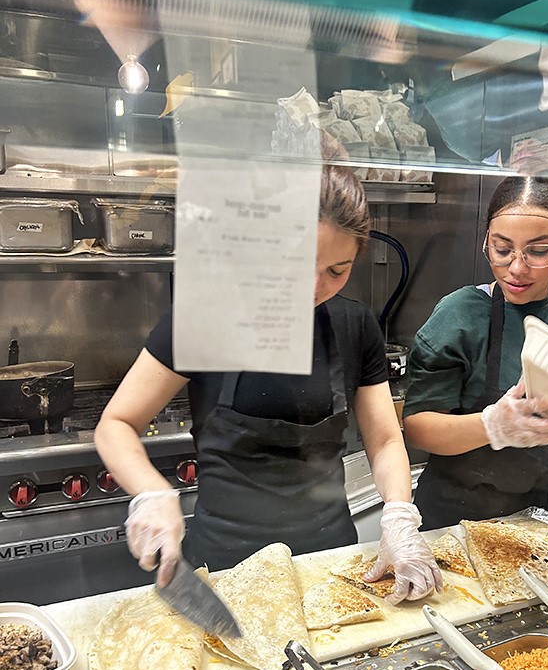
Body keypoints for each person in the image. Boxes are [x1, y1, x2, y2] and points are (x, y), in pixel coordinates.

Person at [95, 165, 442, 603]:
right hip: (223, 567)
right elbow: (117, 424)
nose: (314, 287)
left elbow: (386, 438)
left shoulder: (355, 325)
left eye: (337, 270)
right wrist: (152, 492)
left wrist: (398, 514)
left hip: (327, 563)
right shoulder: (204, 318)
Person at [403, 177, 548, 530]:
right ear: (486, 239)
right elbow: (418, 428)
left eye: (538, 251)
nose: (517, 268)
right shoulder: (459, 315)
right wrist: (493, 426)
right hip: (453, 520)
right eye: (502, 248)